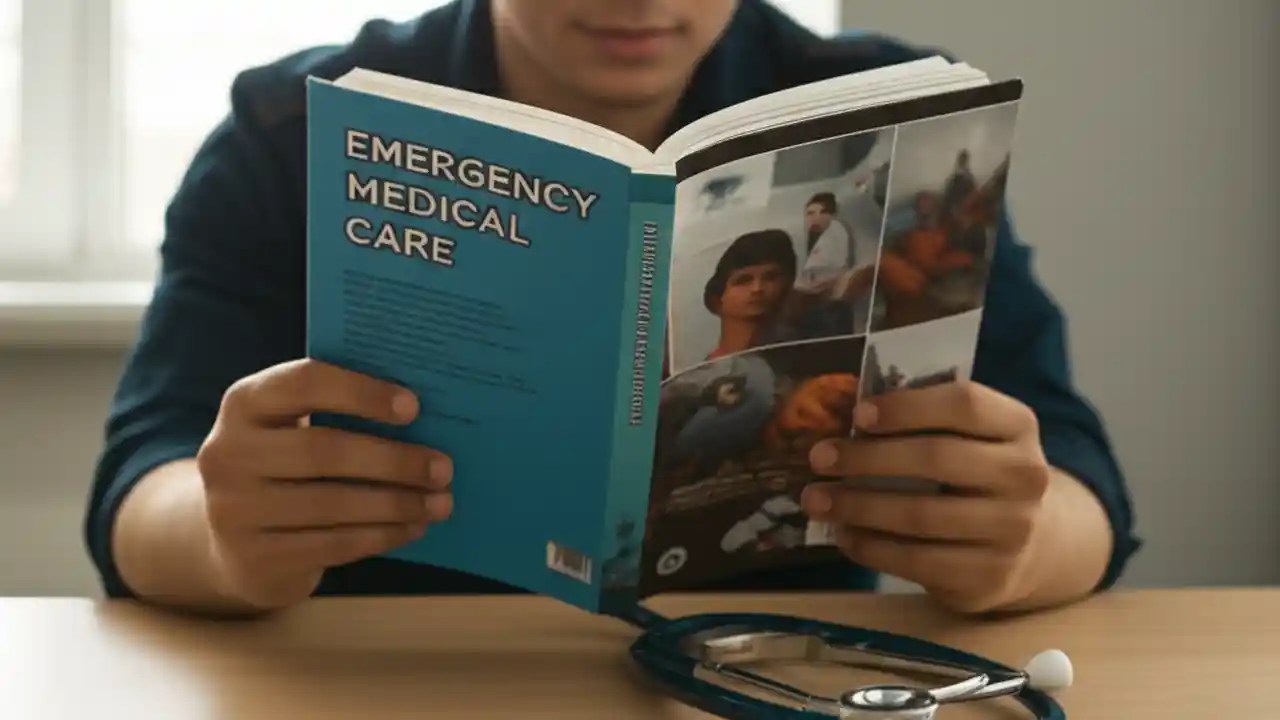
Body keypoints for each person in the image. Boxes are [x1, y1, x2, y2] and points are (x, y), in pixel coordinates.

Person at [84, 0, 1141, 617]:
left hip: (764, 682)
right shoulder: (290, 130)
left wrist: (1016, 543)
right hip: (390, 682)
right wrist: (225, 540)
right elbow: (141, 486)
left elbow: (1081, 487)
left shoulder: (891, 117)